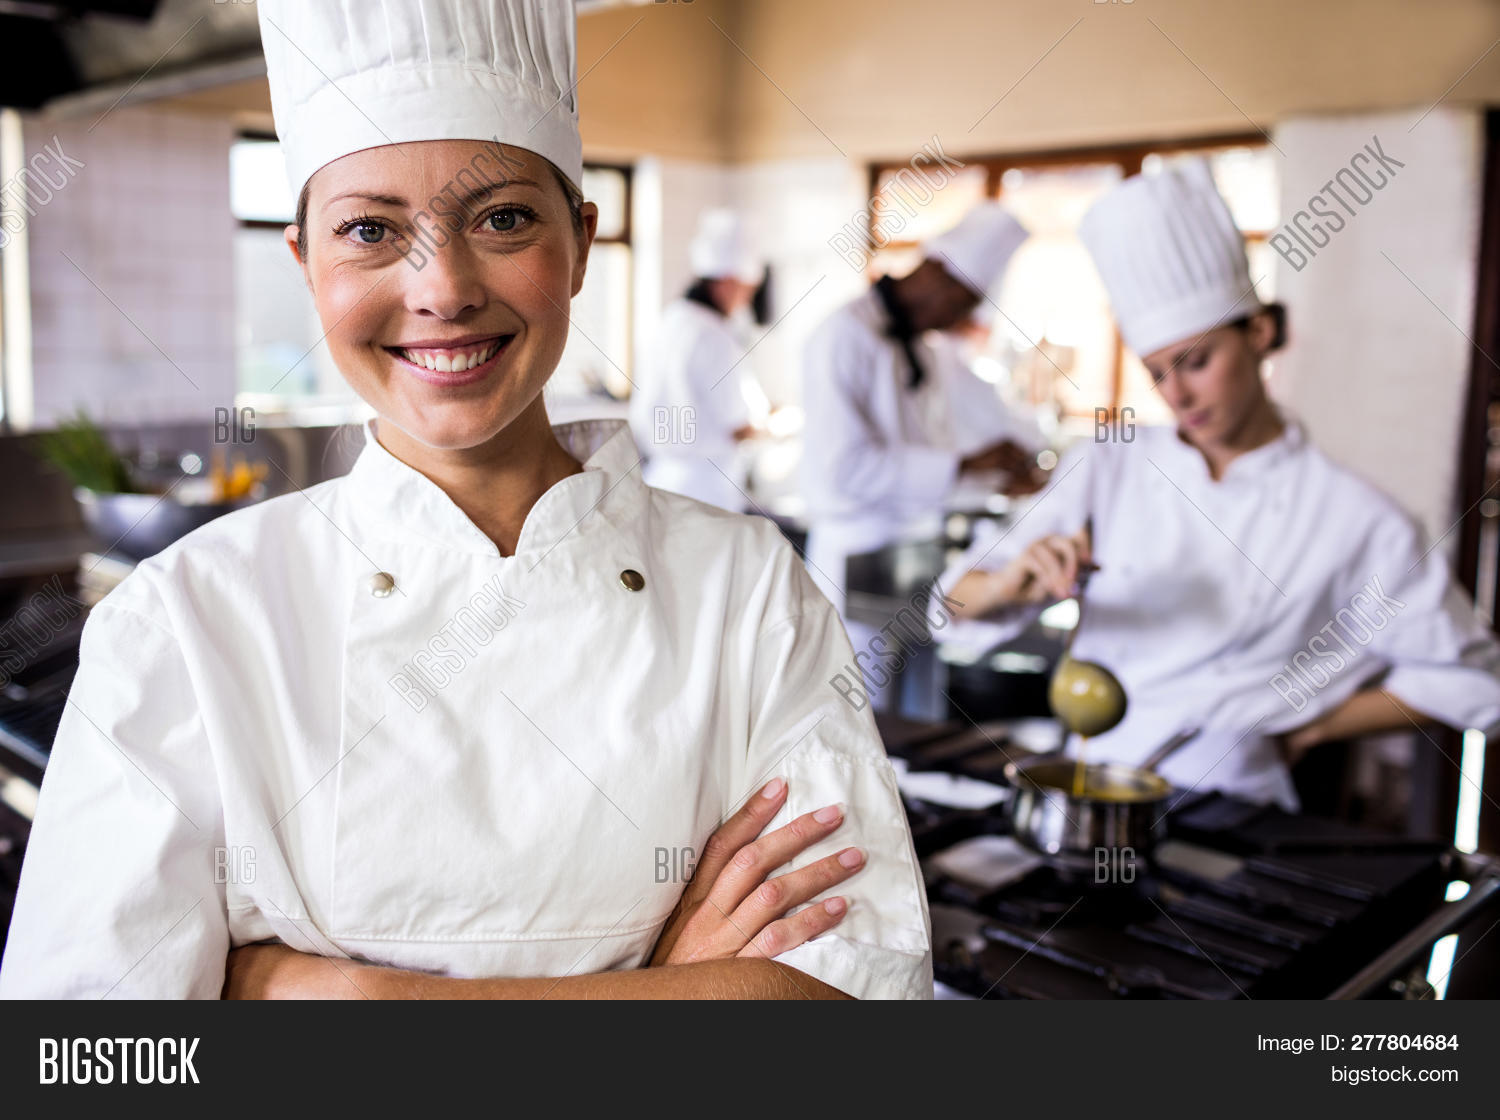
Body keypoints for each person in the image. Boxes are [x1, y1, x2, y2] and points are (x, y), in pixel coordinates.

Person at [0, 0, 931, 1000]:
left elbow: (851, 996)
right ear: (305, 262)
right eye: (369, 229)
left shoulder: (748, 592)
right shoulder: (183, 621)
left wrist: (348, 996)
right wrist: (675, 989)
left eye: (503, 218)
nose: (441, 287)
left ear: (579, 240)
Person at [933, 160, 1500, 810]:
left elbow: (1471, 678)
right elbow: (949, 608)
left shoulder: (1357, 516)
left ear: (1259, 333)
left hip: (1234, 802)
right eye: (1157, 373)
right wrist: (1010, 583)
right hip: (1096, 785)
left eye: (1197, 362)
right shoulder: (1111, 462)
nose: (1178, 394)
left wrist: (1308, 727)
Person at [800, 202, 1044, 709]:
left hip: (913, 553)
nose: (963, 319)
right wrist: (966, 466)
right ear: (936, 275)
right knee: (859, 717)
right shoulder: (843, 336)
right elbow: (843, 471)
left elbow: (928, 455)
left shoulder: (926, 348)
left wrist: (992, 475)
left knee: (919, 707)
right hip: (855, 557)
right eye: (964, 303)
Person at [628, 209, 764, 511]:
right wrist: (772, 428)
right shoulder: (715, 336)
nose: (746, 301)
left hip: (660, 481)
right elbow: (737, 423)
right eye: (747, 291)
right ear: (729, 282)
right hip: (707, 490)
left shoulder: (670, 320)